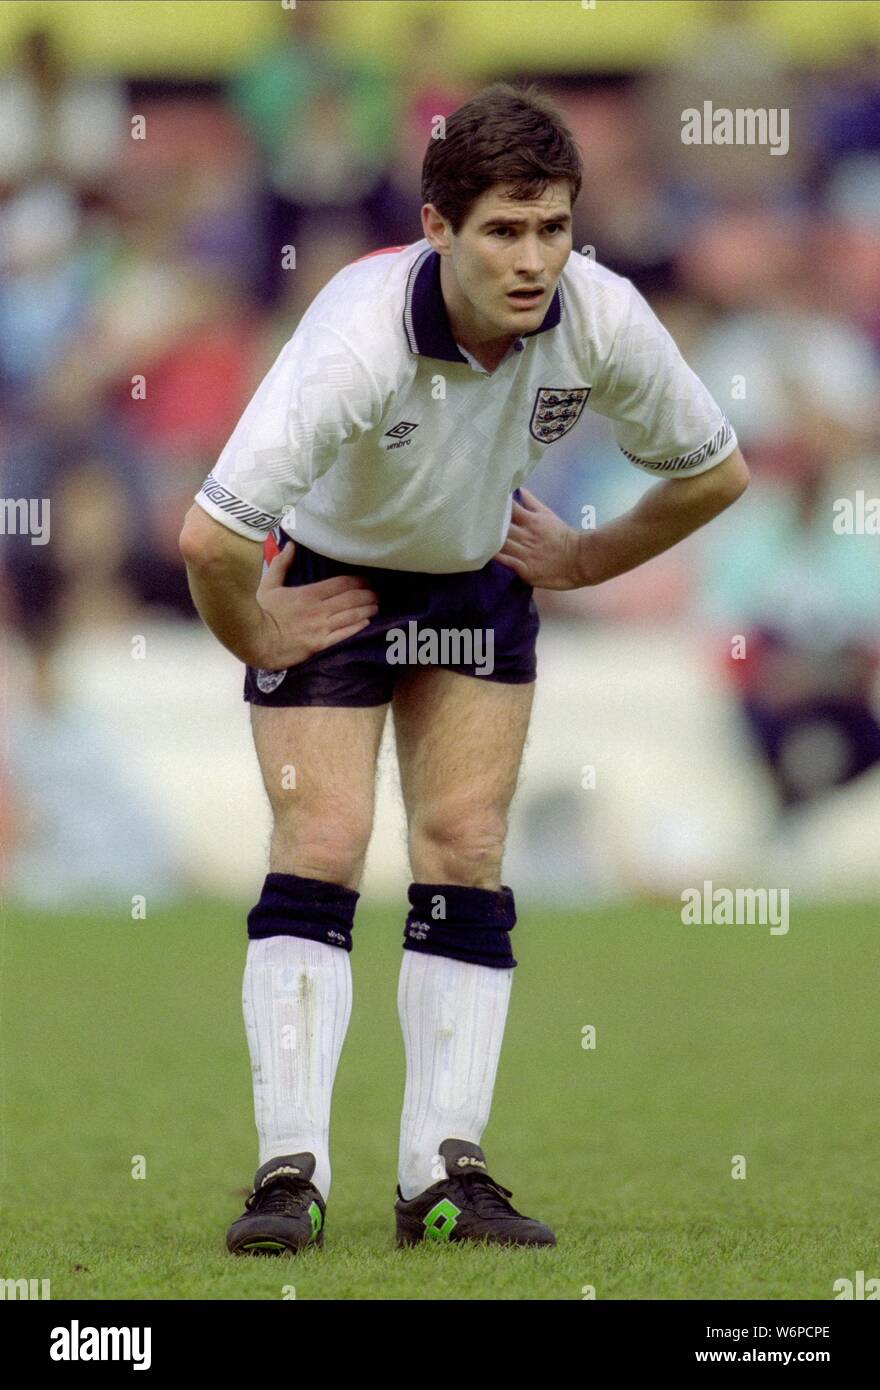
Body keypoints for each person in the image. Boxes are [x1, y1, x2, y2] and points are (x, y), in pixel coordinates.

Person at [178, 82, 749, 1254]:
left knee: (464, 849)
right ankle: (288, 1177)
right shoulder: (354, 338)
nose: (533, 258)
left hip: (478, 577)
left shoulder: (602, 315)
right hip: (330, 577)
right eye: (502, 228)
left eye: (552, 227)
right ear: (437, 227)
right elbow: (208, 538)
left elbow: (713, 473)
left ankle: (443, 1177)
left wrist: (586, 557)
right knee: (324, 846)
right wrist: (260, 634)